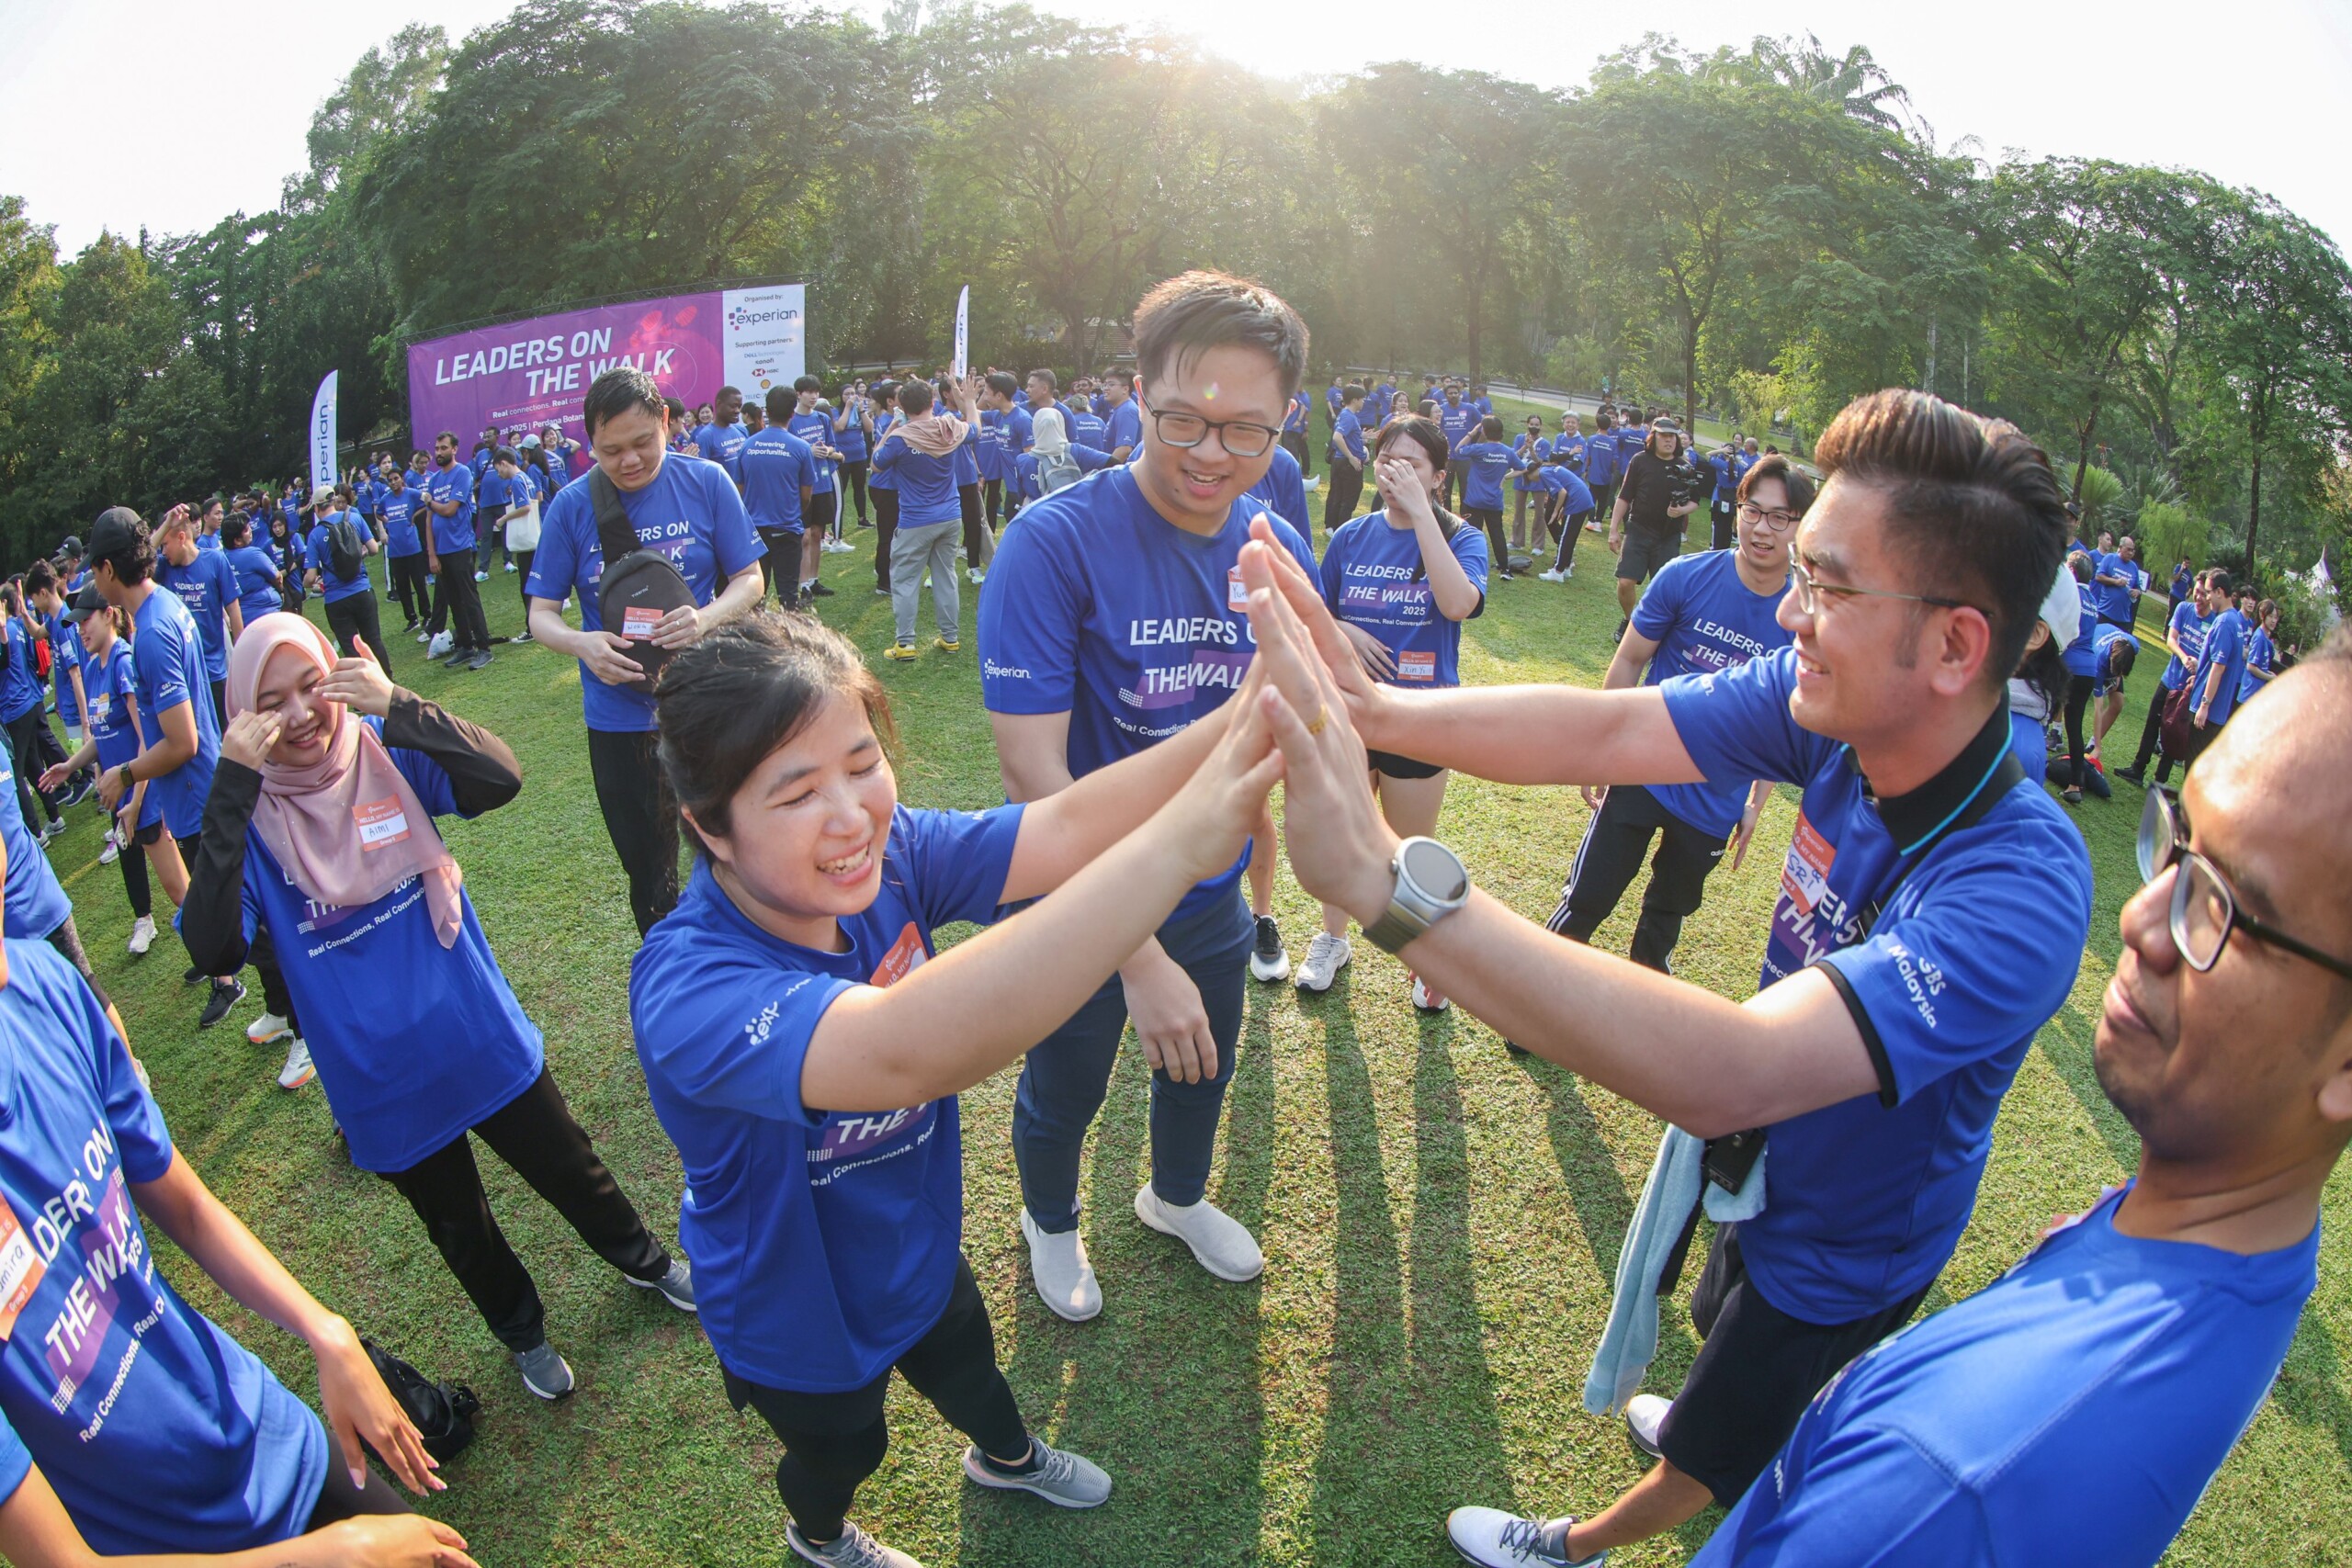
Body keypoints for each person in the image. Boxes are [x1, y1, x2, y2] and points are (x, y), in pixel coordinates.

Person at [1225, 388, 2095, 1568]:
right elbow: (1604, 732)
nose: (1787, 610)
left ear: (1956, 645)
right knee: (1712, 1325)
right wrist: (1379, 709)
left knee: (1740, 1425)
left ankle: (1579, 1545)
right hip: (1763, 1178)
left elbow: (1740, 1073)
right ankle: (1692, 1422)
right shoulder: (1840, 718)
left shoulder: (2022, 886)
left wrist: (1389, 885)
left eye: (1829, 586)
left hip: (1852, 1238)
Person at [633, 612, 1293, 1567]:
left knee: (973, 1372)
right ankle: (819, 1536)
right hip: (792, 1303)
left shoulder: (888, 857)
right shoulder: (688, 987)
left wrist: (1247, 714)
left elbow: (1061, 828)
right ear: (708, 826)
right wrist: (1178, 847)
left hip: (912, 1241)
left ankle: (1008, 1457)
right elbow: (905, 1050)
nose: (852, 815)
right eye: (796, 793)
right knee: (845, 1445)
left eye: (862, 763)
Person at [1690, 637, 2352, 1567]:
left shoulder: (1953, 1480)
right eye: (2180, 844)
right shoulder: (2232, 1234)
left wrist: (1419, 909)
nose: (2137, 917)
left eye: (2225, 912)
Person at [178, 615, 692, 1400]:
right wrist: (230, 785)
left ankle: (645, 1261)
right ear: (243, 714)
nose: (298, 714)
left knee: (568, 1162)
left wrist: (398, 703)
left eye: (311, 684)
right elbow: (214, 948)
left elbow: (501, 776)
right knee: (461, 1226)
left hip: (471, 1028)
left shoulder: (382, 757)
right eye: (269, 700)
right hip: (380, 1081)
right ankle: (523, 1334)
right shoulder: (247, 826)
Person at [978, 271, 1319, 1324]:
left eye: (1245, 432)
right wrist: (1134, 952)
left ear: (1285, 425)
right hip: (1078, 897)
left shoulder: (1273, 547)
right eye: (1183, 419)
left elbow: (1272, 725)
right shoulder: (1053, 541)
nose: (1210, 453)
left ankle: (1173, 1200)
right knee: (1068, 1085)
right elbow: (1034, 772)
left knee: (1200, 1066)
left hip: (1208, 886)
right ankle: (1050, 1221)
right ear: (1137, 392)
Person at [0, 894, 485, 1565]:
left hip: (267, 1435)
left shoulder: (43, 986)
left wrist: (326, 1329)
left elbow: (186, 1205)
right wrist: (323, 1555)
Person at [1537, 457, 1806, 994]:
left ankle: (1643, 1013)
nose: (1761, 528)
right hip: (1641, 769)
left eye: (1781, 518)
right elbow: (1631, 659)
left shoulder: (1803, 616)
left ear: (1802, 526)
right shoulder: (1686, 576)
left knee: (1664, 917)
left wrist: (1756, 803)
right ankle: (1536, 1001)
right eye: (1754, 510)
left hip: (1715, 801)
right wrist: (1600, 749)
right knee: (1587, 899)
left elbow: (1784, 718)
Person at [526, 367, 767, 938]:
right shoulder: (571, 506)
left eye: (642, 443)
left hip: (706, 705)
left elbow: (750, 579)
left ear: (666, 422)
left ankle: (753, 959)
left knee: (740, 845)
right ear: (590, 445)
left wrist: (705, 618)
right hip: (618, 720)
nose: (629, 460)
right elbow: (540, 614)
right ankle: (676, 973)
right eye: (610, 451)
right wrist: (580, 644)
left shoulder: (706, 481)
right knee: (649, 870)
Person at [1294, 415, 1487, 1005]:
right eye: (1387, 459)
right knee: (1345, 833)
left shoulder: (1461, 536)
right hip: (1350, 711)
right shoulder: (1353, 535)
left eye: (1413, 463)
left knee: (1409, 846)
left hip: (1419, 718)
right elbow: (1314, 611)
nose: (1396, 471)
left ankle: (1427, 954)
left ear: (1437, 475)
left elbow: (1457, 604)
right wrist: (1345, 629)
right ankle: (1333, 939)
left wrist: (1423, 514)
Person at [87, 509, 253, 1030]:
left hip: (196, 792)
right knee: (223, 901)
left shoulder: (153, 632)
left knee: (229, 907)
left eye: (93, 572)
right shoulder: (167, 604)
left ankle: (260, 998)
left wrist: (125, 774)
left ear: (108, 570)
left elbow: (182, 741)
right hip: (200, 788)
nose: (93, 584)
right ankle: (254, 991)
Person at [40, 590, 172, 962]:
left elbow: (147, 737)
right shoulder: (97, 666)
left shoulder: (122, 662)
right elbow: (101, 735)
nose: (80, 629)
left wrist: (136, 799)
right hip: (122, 793)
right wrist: (70, 765)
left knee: (180, 888)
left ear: (109, 615)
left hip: (144, 793)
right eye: (77, 623)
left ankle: (223, 975)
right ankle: (145, 921)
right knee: (131, 860)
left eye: (85, 620)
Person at [872, 377, 980, 661]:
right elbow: (976, 429)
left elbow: (875, 463)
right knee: (946, 576)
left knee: (906, 580)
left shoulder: (900, 439)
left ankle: (906, 644)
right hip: (950, 516)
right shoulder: (950, 428)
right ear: (932, 403)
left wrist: (893, 426)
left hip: (915, 520)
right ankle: (951, 638)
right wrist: (968, 401)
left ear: (902, 407)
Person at [2116, 570, 2220, 790]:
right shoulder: (2183, 609)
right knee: (2153, 723)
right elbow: (2171, 639)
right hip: (2170, 679)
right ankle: (2138, 768)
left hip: (2189, 689)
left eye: (2204, 593)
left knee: (2175, 732)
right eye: (2197, 592)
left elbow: (2215, 659)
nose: (2200, 598)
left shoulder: (2215, 622)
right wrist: (2184, 657)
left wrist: (2198, 666)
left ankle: (2160, 781)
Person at [154, 504, 244, 724]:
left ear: (181, 537)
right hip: (182, 672)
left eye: (166, 544)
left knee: (226, 732)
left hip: (214, 670)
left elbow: (233, 608)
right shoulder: (164, 567)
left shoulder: (215, 560)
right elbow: (140, 557)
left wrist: (242, 652)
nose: (163, 551)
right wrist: (167, 523)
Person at [1609, 417, 1702, 627]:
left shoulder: (1684, 466)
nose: (1669, 441)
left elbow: (1695, 501)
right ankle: (1629, 620)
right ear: (1654, 437)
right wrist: (1613, 529)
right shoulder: (1639, 460)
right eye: (1664, 436)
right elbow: (1624, 496)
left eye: (1672, 436)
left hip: (1668, 535)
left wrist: (1682, 511)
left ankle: (1652, 627)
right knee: (1625, 582)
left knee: (1663, 587)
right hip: (1638, 530)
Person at [737, 386, 820, 607]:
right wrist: (791, 512)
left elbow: (740, 489)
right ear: (792, 413)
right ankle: (789, 639)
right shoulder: (801, 448)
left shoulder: (747, 446)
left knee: (755, 595)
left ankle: (756, 638)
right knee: (788, 595)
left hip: (755, 531)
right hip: (787, 530)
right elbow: (805, 496)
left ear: (766, 412)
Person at [418, 433, 493, 671]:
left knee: (469, 599)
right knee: (453, 601)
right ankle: (466, 646)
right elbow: (429, 521)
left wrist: (430, 502)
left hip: (460, 548)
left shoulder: (462, 473)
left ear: (454, 449)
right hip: (441, 552)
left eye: (443, 448)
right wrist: (431, 554)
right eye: (437, 448)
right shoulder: (434, 480)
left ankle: (484, 649)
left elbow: (450, 509)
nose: (439, 453)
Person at [0, 584, 62, 845]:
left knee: (13, 773)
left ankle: (36, 832)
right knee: (33, 764)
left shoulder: (7, 631)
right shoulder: (17, 628)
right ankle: (54, 816)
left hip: (13, 708)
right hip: (28, 699)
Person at [306, 488, 392, 672]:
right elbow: (374, 549)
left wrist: (307, 582)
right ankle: (387, 683)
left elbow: (311, 577)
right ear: (333, 501)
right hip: (362, 590)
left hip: (336, 599)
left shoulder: (315, 534)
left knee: (351, 650)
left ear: (316, 508)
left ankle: (363, 695)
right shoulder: (354, 518)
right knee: (373, 640)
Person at [221, 509, 287, 626]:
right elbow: (277, 577)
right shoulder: (253, 554)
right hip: (266, 616)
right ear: (237, 540)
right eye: (246, 530)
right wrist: (281, 590)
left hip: (240, 621)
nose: (251, 531)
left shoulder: (222, 560)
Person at [1322, 384, 1368, 536]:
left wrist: (1363, 437)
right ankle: (1341, 531)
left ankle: (1332, 527)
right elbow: (1337, 437)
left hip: (1340, 462)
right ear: (1355, 400)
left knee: (1338, 494)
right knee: (1349, 498)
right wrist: (1351, 457)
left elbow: (1347, 436)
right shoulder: (1349, 416)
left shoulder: (1345, 414)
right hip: (1347, 464)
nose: (1364, 402)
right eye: (1362, 399)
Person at [693, 384, 752, 472]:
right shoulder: (706, 436)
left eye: (739, 407)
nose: (737, 411)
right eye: (733, 406)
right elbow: (701, 472)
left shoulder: (742, 431)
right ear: (719, 404)